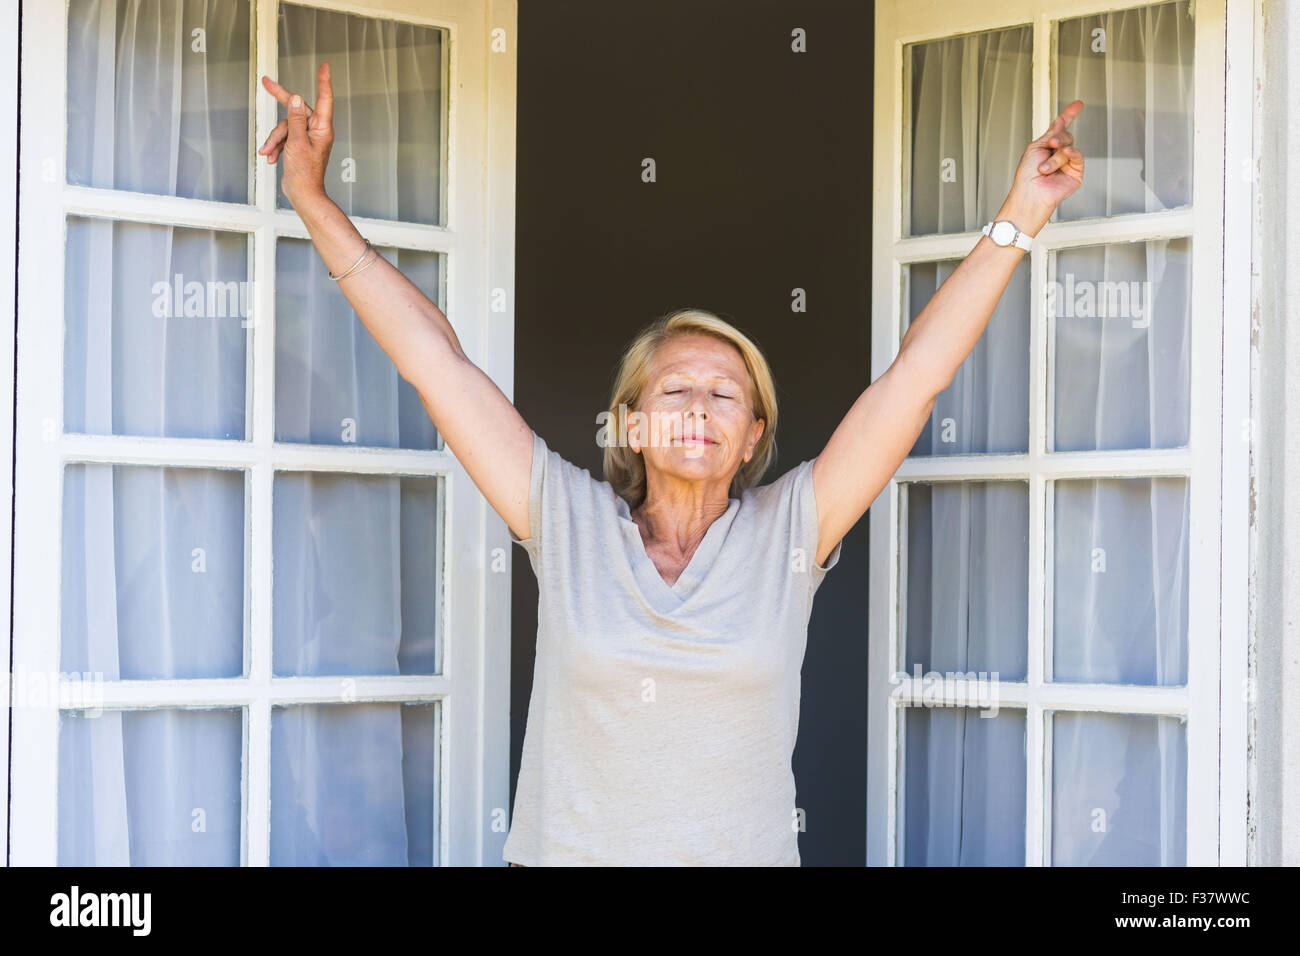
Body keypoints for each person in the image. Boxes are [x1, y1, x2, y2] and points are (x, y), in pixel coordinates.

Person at [258, 62, 1084, 866]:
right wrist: (310, 199)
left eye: (726, 395)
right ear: (630, 426)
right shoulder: (567, 520)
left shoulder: (791, 530)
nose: (699, 407)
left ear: (754, 434)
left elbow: (917, 376)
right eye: (676, 389)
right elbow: (437, 366)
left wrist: (1019, 215)